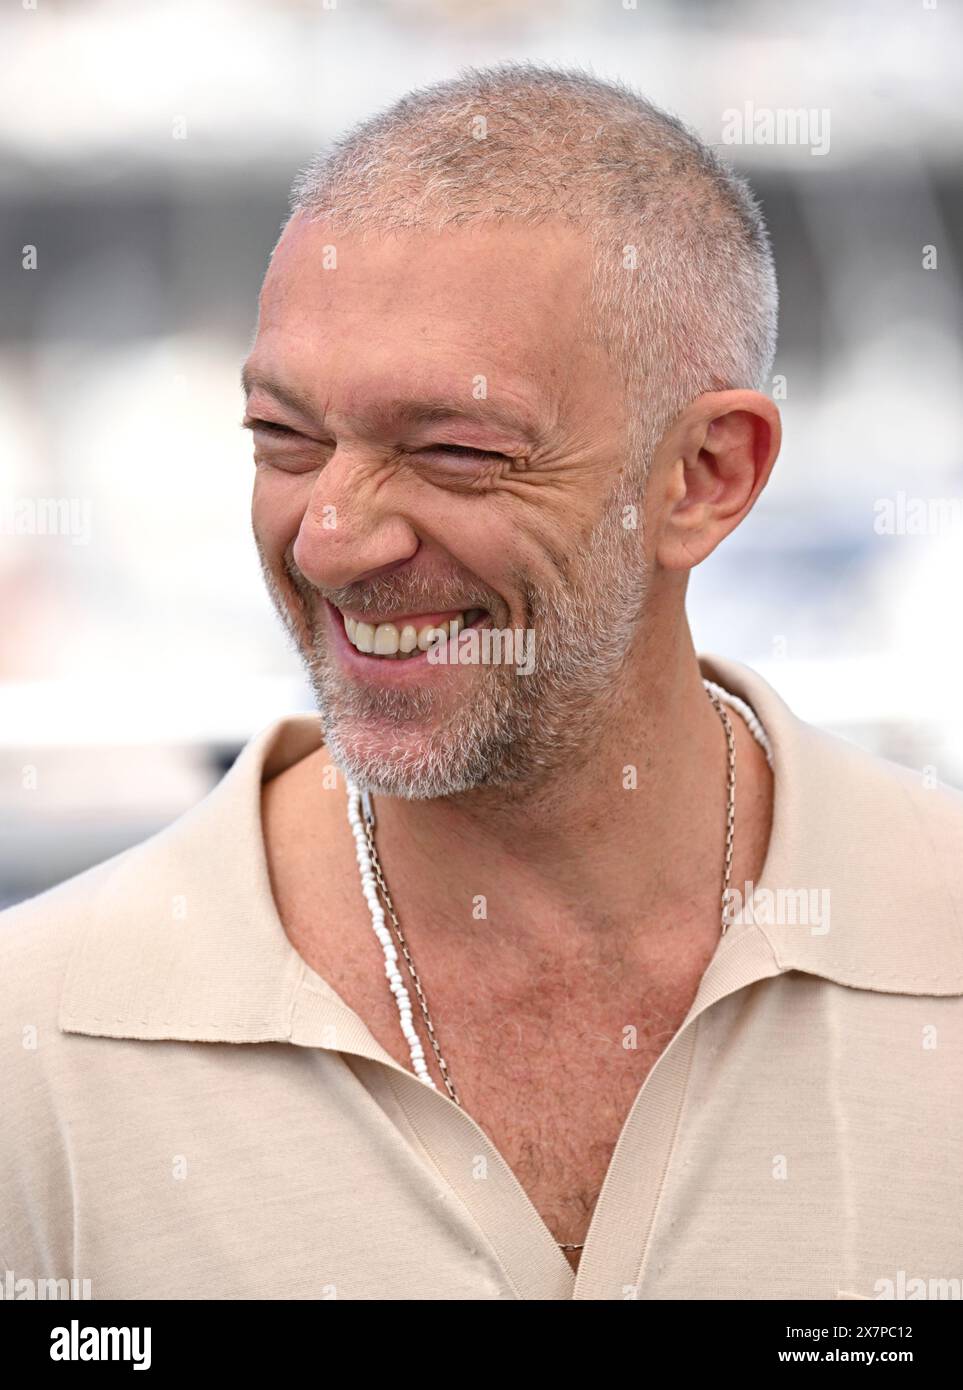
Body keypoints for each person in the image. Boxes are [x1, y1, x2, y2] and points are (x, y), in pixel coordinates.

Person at [2, 63, 961, 1302]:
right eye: (285, 440)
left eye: (455, 453)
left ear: (709, 474)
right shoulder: (43, 1038)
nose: (330, 539)